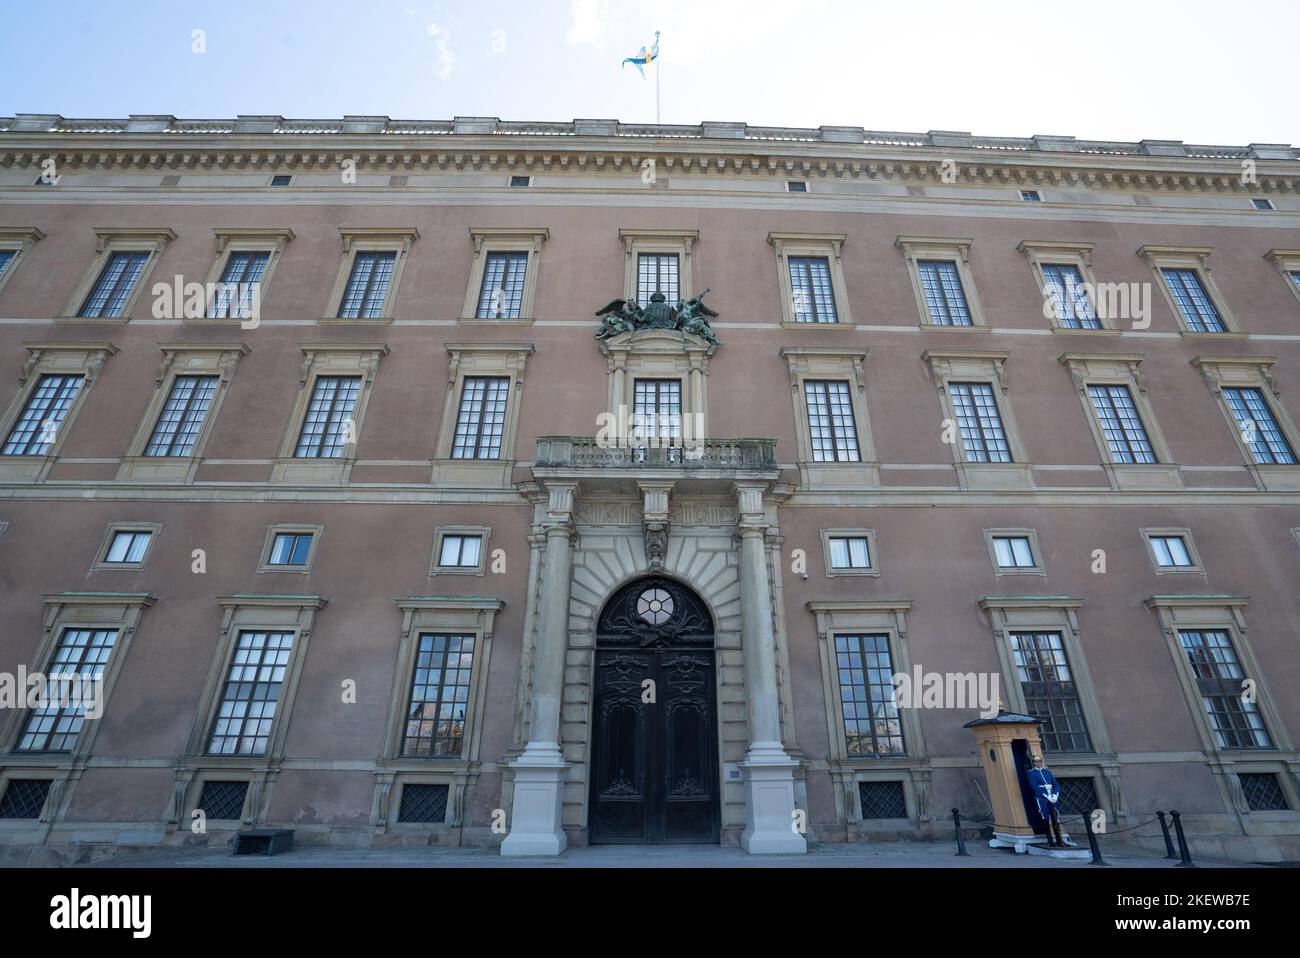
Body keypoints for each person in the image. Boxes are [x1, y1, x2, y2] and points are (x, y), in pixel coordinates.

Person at [1027, 752, 1064, 847]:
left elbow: (1055, 784)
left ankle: (1060, 841)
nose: (1038, 763)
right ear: (1033, 763)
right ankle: (1050, 841)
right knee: (1045, 819)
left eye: (1039, 761)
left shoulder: (1047, 772)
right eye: (1036, 762)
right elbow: (1034, 787)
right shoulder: (1031, 773)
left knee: (1055, 819)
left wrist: (1055, 794)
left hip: (1052, 797)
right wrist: (1045, 796)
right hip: (1042, 799)